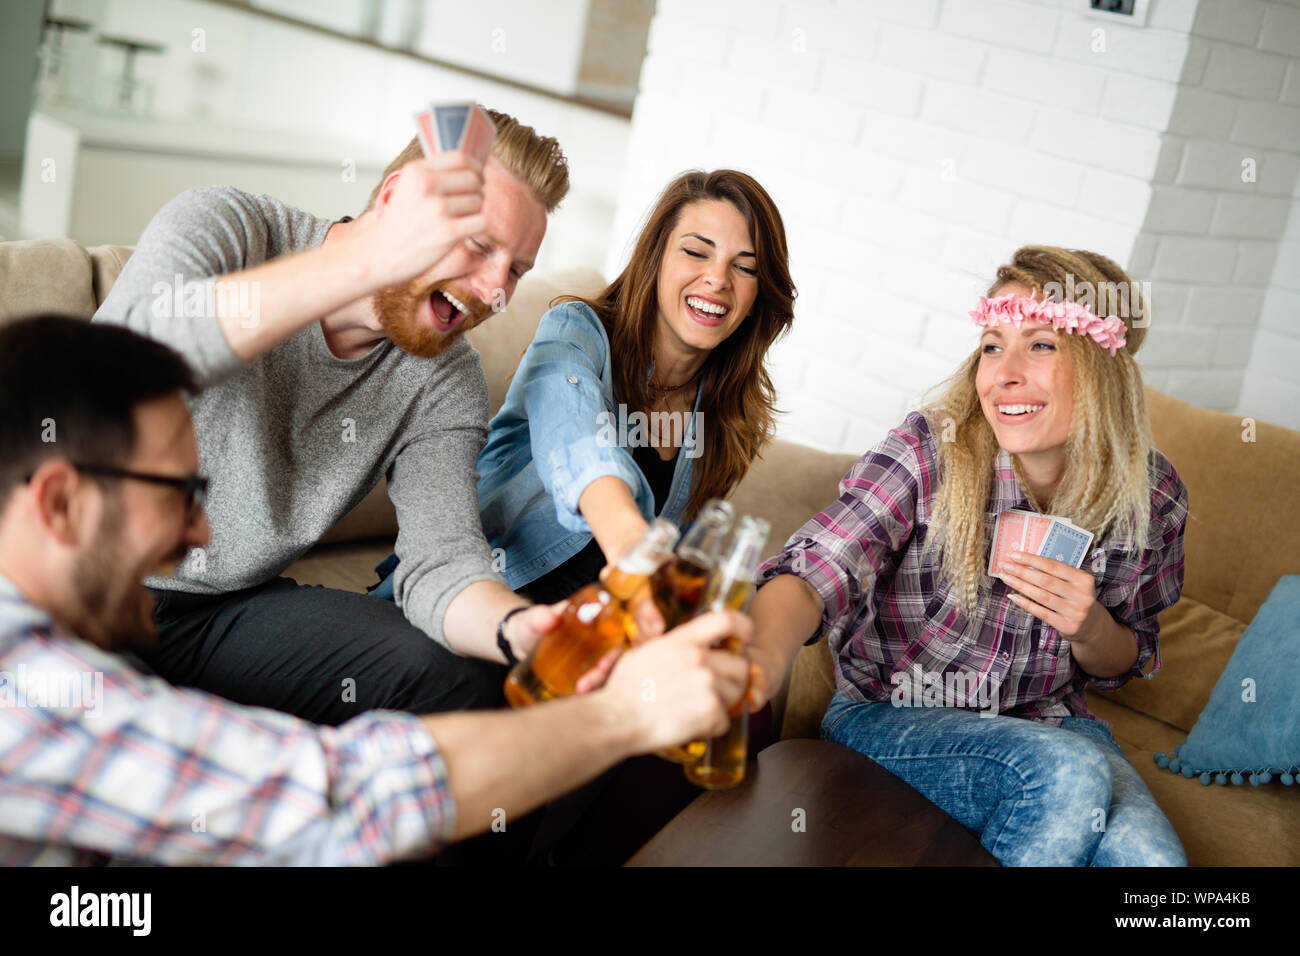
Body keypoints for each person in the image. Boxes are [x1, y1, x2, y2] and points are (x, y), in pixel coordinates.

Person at [0, 315, 752, 866]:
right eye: (180, 494)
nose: (203, 533)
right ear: (60, 503)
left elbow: (443, 555)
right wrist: (626, 713)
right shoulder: (32, 702)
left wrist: (515, 630)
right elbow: (342, 799)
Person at [91, 108, 576, 727]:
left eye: (516, 270)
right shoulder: (228, 226)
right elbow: (131, 358)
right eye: (479, 247)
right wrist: (367, 263)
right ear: (396, 202)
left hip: (217, 617)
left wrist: (517, 628)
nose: (495, 291)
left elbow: (443, 558)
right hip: (72, 582)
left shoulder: (445, 378)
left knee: (469, 677)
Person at [743, 245, 1189, 867]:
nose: (1003, 374)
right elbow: (823, 564)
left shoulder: (1153, 494)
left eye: (1040, 345)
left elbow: (1129, 653)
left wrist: (1090, 628)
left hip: (1045, 722)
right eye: (991, 346)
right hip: (891, 719)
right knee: (1066, 774)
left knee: (1155, 865)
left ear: (1100, 369)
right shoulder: (930, 448)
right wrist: (760, 658)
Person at [374, 167, 795, 607]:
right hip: (469, 602)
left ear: (756, 299)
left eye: (745, 267)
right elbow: (575, 437)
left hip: (587, 633)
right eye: (696, 252)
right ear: (655, 260)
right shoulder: (574, 332)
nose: (719, 279)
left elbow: (682, 556)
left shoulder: (725, 419)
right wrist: (633, 548)